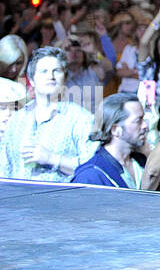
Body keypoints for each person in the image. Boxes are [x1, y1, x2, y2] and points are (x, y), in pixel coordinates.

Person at [0, 48, 96, 182]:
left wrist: (52, 159)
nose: (50, 76)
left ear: (65, 78)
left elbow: (93, 170)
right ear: (32, 81)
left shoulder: (80, 119)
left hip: (60, 201)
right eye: (43, 71)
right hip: (18, 200)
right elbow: (5, 168)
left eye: (56, 71)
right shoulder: (17, 119)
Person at [72, 91, 148, 189]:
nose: (145, 125)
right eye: (138, 121)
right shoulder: (91, 175)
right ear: (116, 130)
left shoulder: (141, 162)